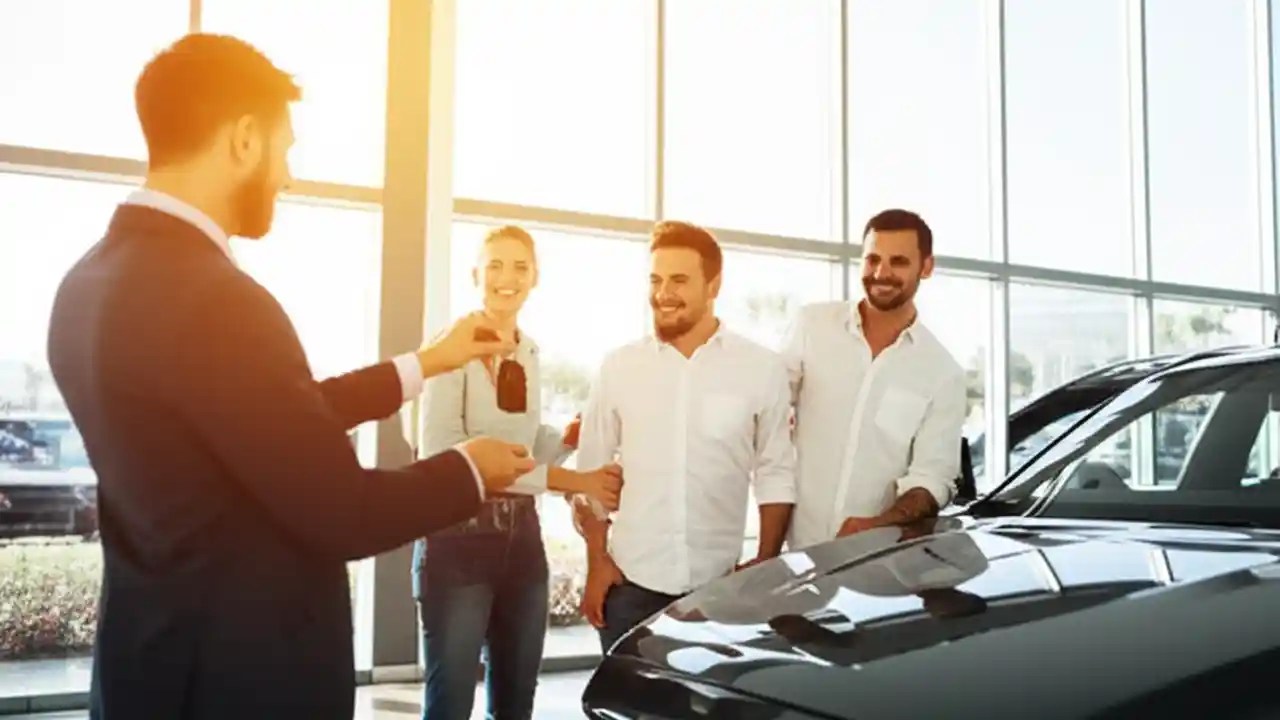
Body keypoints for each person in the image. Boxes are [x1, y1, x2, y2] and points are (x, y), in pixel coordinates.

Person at [44, 33, 533, 720]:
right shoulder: (218, 300)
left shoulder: (89, 282)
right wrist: (470, 472)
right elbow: (342, 511)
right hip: (241, 685)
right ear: (245, 139)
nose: (288, 174)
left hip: (145, 672)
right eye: (286, 147)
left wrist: (422, 364)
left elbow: (264, 421)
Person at [412, 225, 623, 719]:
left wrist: (564, 439)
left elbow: (521, 448)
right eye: (495, 266)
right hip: (456, 543)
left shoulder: (529, 352)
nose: (507, 278)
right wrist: (579, 483)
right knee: (450, 704)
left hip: (522, 544)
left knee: (516, 703)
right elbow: (451, 457)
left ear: (536, 278)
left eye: (520, 267)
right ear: (475, 275)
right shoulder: (449, 348)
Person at [572, 221, 797, 653]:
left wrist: (765, 560)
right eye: (655, 280)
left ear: (714, 285)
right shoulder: (618, 367)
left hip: (721, 591)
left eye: (679, 280)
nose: (663, 293)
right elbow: (590, 474)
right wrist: (596, 562)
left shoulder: (760, 368)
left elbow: (776, 471)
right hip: (629, 588)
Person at [782, 208, 967, 550]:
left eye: (898, 261)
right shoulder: (812, 325)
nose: (881, 273)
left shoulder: (942, 373)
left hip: (875, 567)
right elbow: (767, 412)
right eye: (872, 260)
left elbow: (932, 479)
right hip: (794, 556)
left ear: (926, 267)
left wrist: (877, 526)